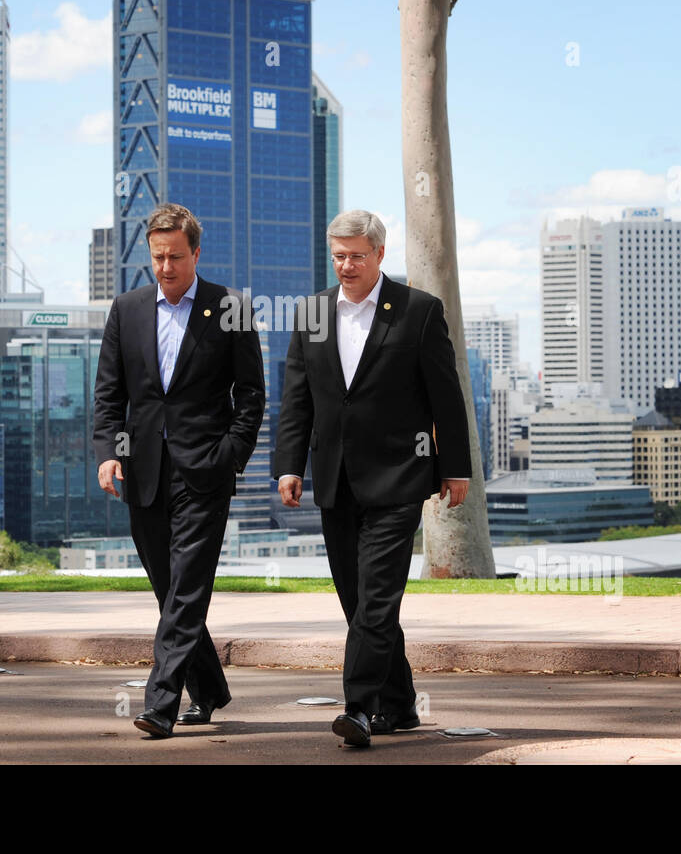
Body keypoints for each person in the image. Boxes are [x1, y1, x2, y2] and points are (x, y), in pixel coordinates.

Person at [273, 209, 471, 747]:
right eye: (338, 255)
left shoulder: (418, 311)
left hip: (399, 478)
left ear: (380, 254)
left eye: (357, 255)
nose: (347, 265)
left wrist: (454, 467)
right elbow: (297, 396)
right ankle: (401, 704)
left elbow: (445, 398)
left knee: (377, 600)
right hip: (335, 480)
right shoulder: (311, 311)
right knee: (360, 603)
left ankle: (359, 708)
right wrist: (289, 464)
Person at [93, 203, 265, 738]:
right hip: (143, 471)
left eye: (175, 256)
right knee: (170, 589)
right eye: (157, 257)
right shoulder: (127, 308)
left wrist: (230, 454)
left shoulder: (229, 306)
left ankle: (160, 704)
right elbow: (110, 394)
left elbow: (252, 394)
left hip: (205, 471)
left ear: (196, 252)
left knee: (188, 588)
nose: (164, 267)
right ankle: (210, 689)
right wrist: (109, 451)